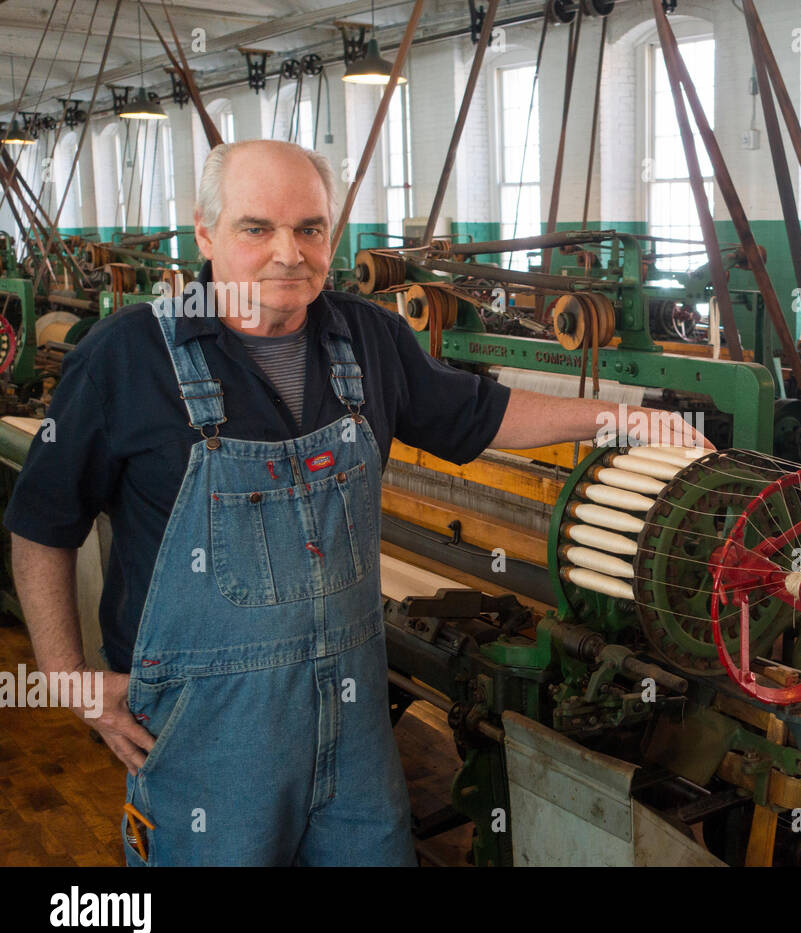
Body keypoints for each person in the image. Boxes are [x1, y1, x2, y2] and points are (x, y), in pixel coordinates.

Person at [3, 140, 712, 866]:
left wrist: (615, 418)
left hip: (355, 732)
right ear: (206, 233)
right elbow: (41, 527)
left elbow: (480, 413)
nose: (289, 253)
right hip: (206, 735)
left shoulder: (367, 336)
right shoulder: (126, 356)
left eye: (310, 228)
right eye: (257, 229)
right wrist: (69, 678)